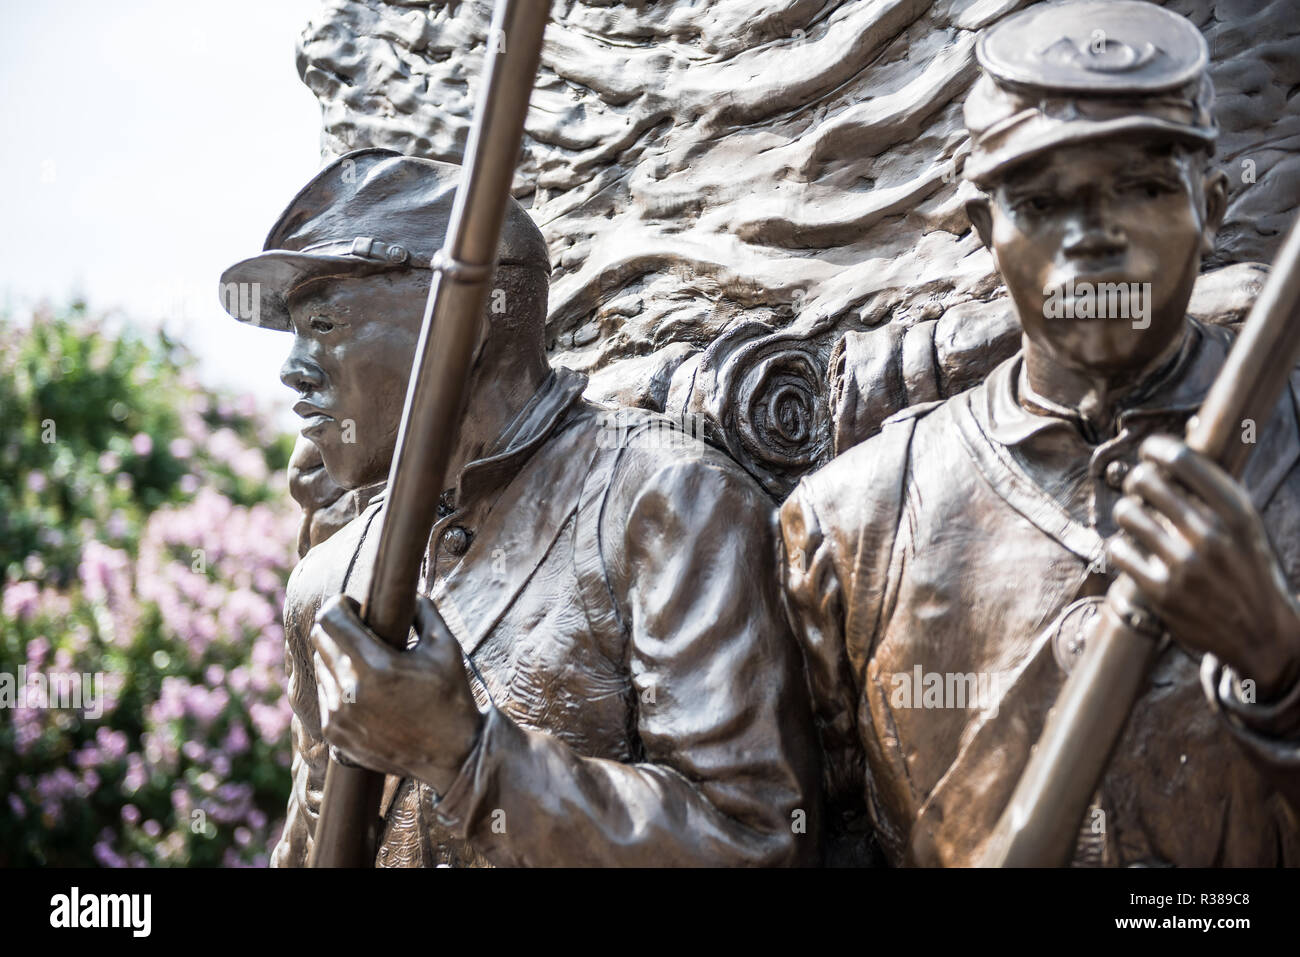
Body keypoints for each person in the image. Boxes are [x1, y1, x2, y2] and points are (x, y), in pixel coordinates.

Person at [779, 0, 1300, 866]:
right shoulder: (853, 525)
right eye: (1041, 200)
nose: (1093, 236)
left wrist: (1279, 668)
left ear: (1210, 206)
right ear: (986, 230)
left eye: (1141, 187)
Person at [218, 147, 820, 866]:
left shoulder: (663, 502)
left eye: (324, 325)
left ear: (461, 323)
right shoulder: (326, 582)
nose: (292, 369)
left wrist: (469, 758)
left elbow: (760, 842)